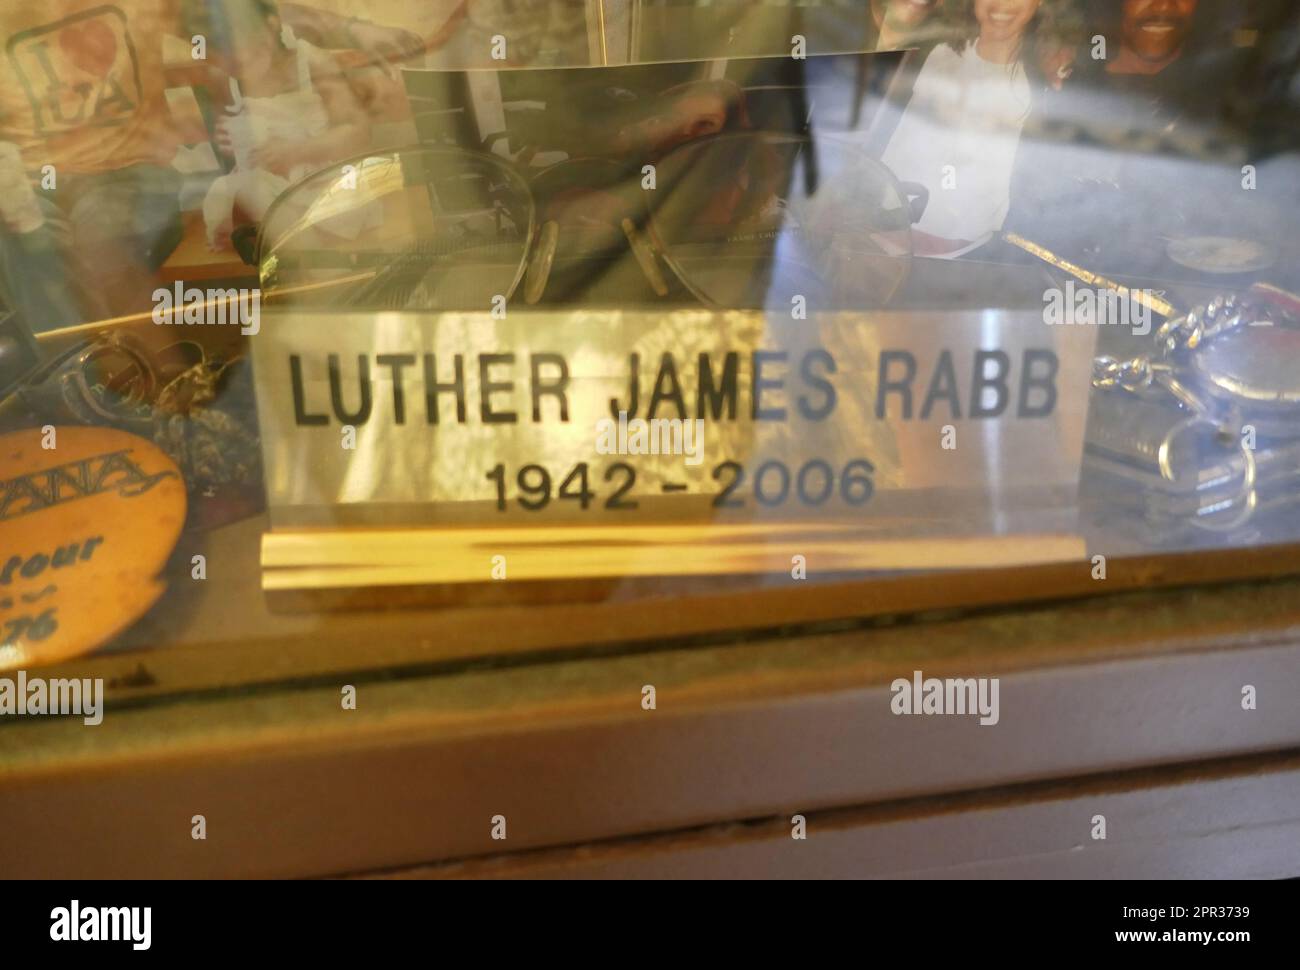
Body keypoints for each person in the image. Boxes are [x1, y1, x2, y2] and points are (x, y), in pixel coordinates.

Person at [0, 0, 423, 332]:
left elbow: (250, 13)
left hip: (122, 172)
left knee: (95, 239)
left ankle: (117, 375)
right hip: (28, 177)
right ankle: (64, 382)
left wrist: (354, 29)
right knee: (21, 240)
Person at [1003, 0, 1291, 278]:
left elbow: (1269, 214)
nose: (1163, 5)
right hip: (1079, 293)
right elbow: (1027, 213)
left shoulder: (1231, 96)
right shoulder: (1073, 89)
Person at [880, 0, 1073, 256]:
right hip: (886, 232)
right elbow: (894, 140)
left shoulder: (1051, 84)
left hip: (972, 251)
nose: (1001, 4)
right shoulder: (935, 52)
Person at [184, 0, 371, 250]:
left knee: (262, 197)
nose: (237, 61)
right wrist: (231, 138)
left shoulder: (310, 62)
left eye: (245, 46)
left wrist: (297, 152)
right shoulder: (228, 77)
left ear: (271, 26)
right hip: (267, 186)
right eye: (226, 53)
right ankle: (296, 255)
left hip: (320, 180)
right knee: (229, 192)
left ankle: (311, 263)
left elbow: (358, 131)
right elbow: (236, 142)